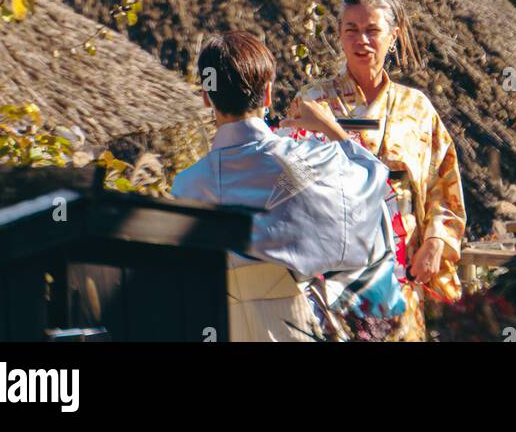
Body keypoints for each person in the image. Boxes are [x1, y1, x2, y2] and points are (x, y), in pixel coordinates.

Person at [171, 29, 404, 340]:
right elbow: (373, 180)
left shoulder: (186, 187)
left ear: (206, 96)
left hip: (221, 328)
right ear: (267, 94)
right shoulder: (313, 161)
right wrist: (330, 128)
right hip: (292, 327)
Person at [288, 0, 466, 341]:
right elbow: (292, 185)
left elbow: (443, 186)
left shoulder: (417, 108)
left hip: (403, 273)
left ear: (394, 35)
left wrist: (434, 242)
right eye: (351, 30)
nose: (362, 40)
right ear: (338, 34)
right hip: (333, 281)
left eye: (373, 30)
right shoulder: (312, 102)